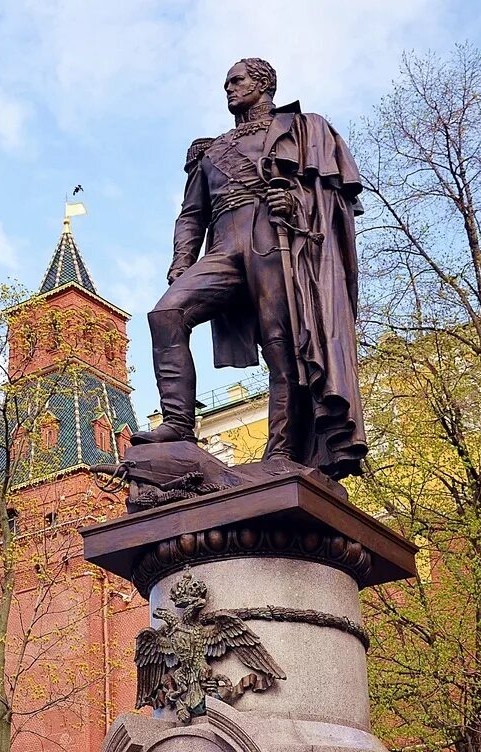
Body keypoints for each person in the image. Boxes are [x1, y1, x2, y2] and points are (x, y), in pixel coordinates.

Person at [129, 58, 367, 480]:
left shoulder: (302, 128)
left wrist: (297, 204)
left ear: (264, 84)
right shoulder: (209, 149)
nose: (229, 88)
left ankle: (282, 449)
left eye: (237, 81)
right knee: (166, 314)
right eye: (226, 83)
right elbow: (191, 214)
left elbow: (332, 196)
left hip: (273, 241)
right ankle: (179, 423)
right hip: (224, 244)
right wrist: (183, 259)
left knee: (282, 346)